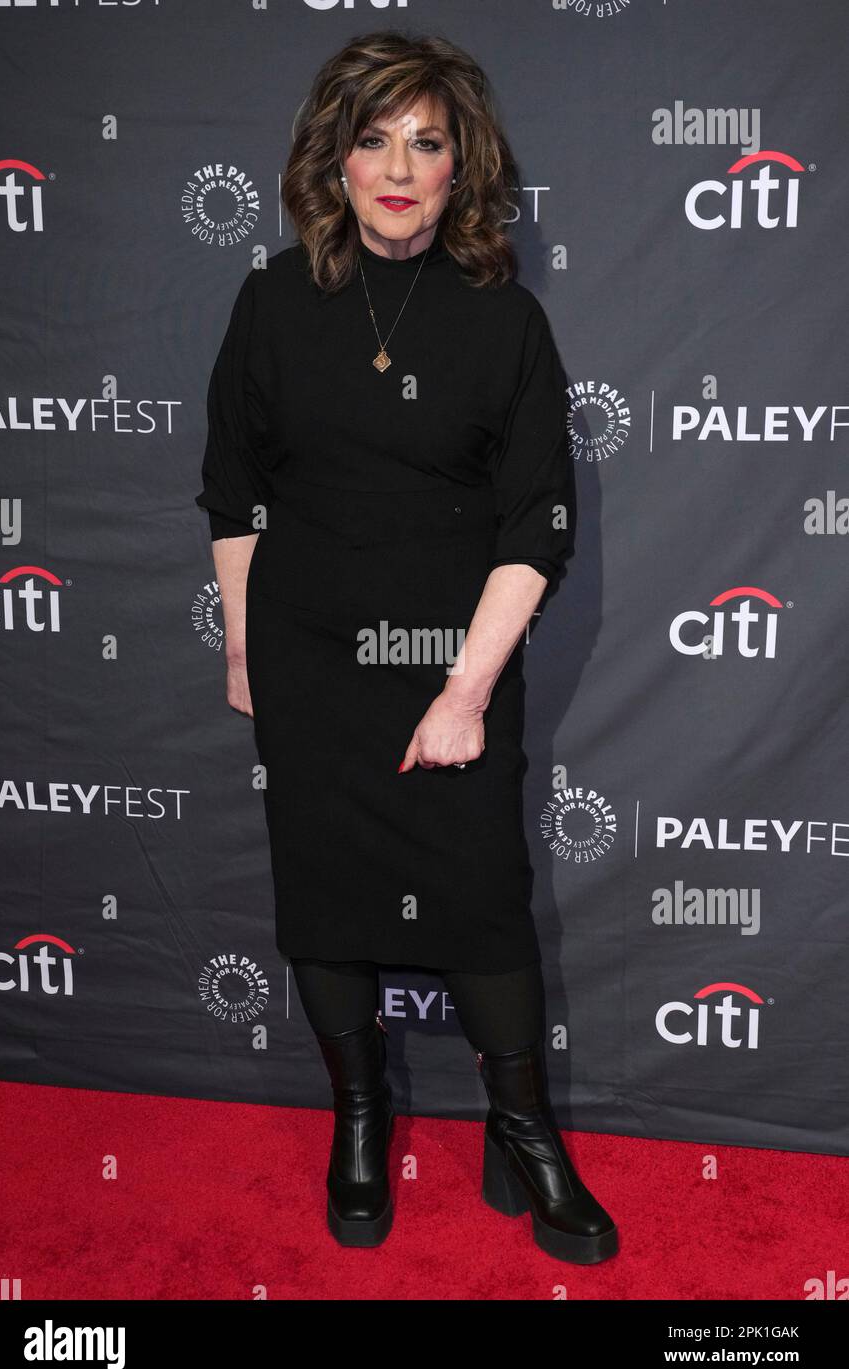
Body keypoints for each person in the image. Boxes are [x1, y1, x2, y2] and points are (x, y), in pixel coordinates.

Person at [195, 29, 617, 1265]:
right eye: (372, 138)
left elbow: (540, 523)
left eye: (424, 143)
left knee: (482, 904)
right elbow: (233, 492)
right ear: (332, 159)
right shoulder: (271, 302)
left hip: (451, 660)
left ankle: (523, 1133)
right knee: (324, 907)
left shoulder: (504, 324)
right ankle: (362, 1120)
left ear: (459, 170)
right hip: (306, 654)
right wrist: (241, 655)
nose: (396, 165)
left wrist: (466, 688)